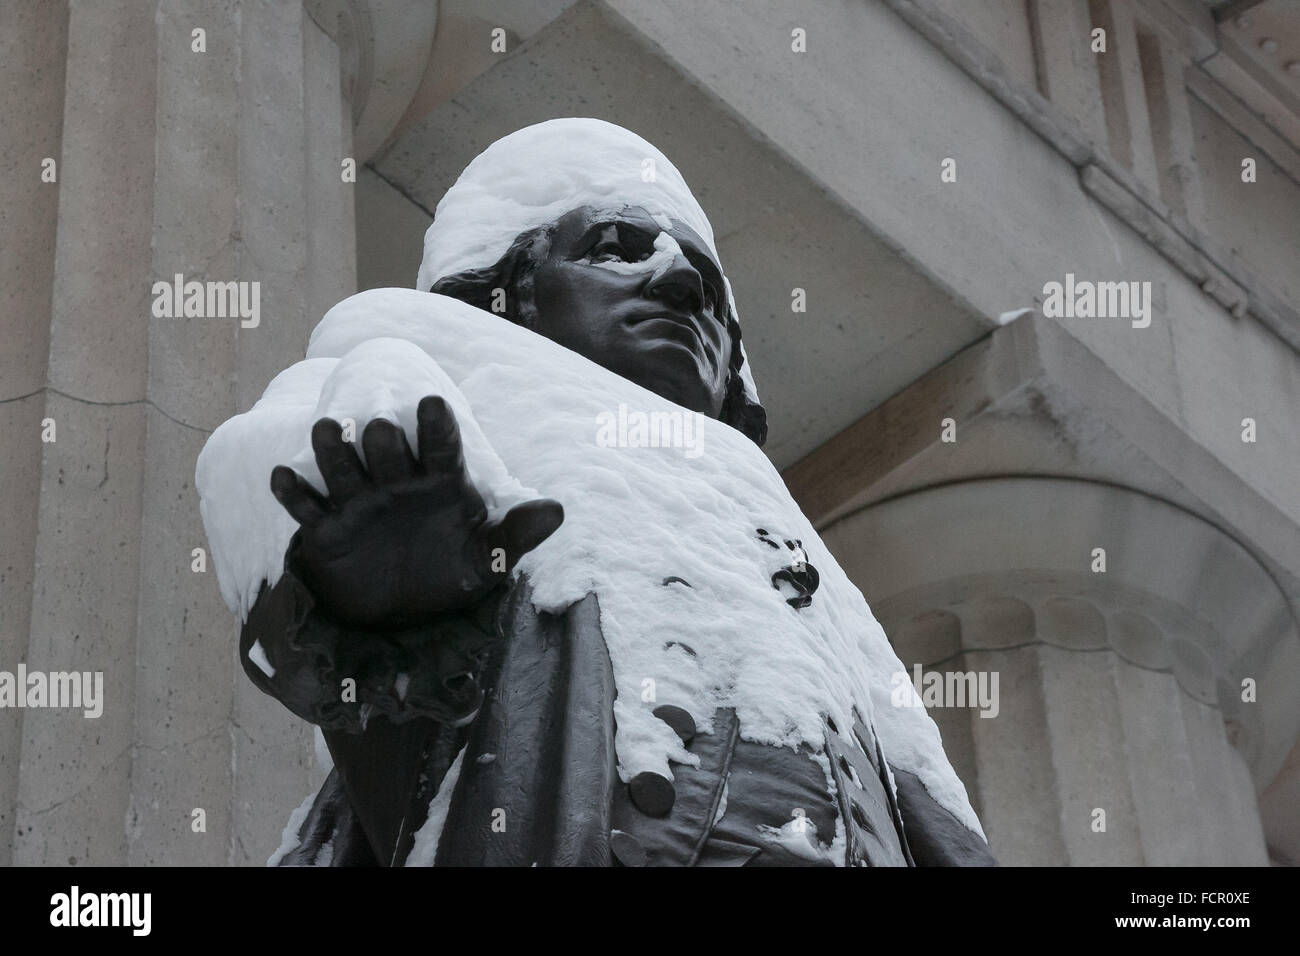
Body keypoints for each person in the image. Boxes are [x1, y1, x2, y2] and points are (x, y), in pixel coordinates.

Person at [197, 118, 995, 867]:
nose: (681, 282)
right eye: (616, 249)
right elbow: (269, 475)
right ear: (501, 293)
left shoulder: (779, 531)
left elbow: (923, 800)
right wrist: (378, 588)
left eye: (712, 292)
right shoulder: (424, 392)